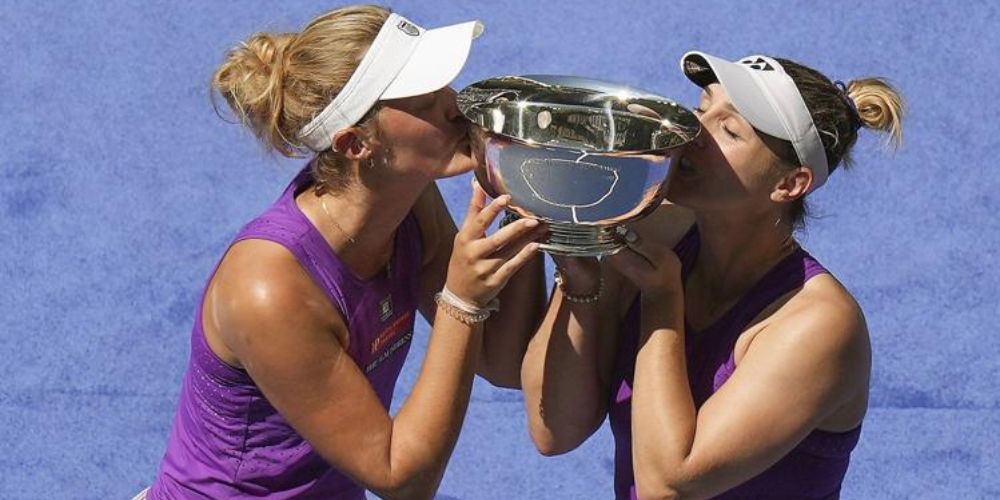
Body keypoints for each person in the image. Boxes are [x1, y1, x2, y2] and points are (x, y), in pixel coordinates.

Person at [143, 5, 547, 499]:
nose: (456, 105)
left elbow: (503, 363)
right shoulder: (268, 290)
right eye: (426, 102)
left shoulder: (409, 204)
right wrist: (461, 304)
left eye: (445, 86)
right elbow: (403, 477)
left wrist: (525, 205)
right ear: (357, 144)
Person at [522, 50, 904, 499]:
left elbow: (668, 484)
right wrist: (580, 284)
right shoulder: (653, 231)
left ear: (789, 184)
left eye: (730, 129)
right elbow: (555, 431)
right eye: (702, 110)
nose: (694, 133)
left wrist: (662, 302)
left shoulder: (818, 325)